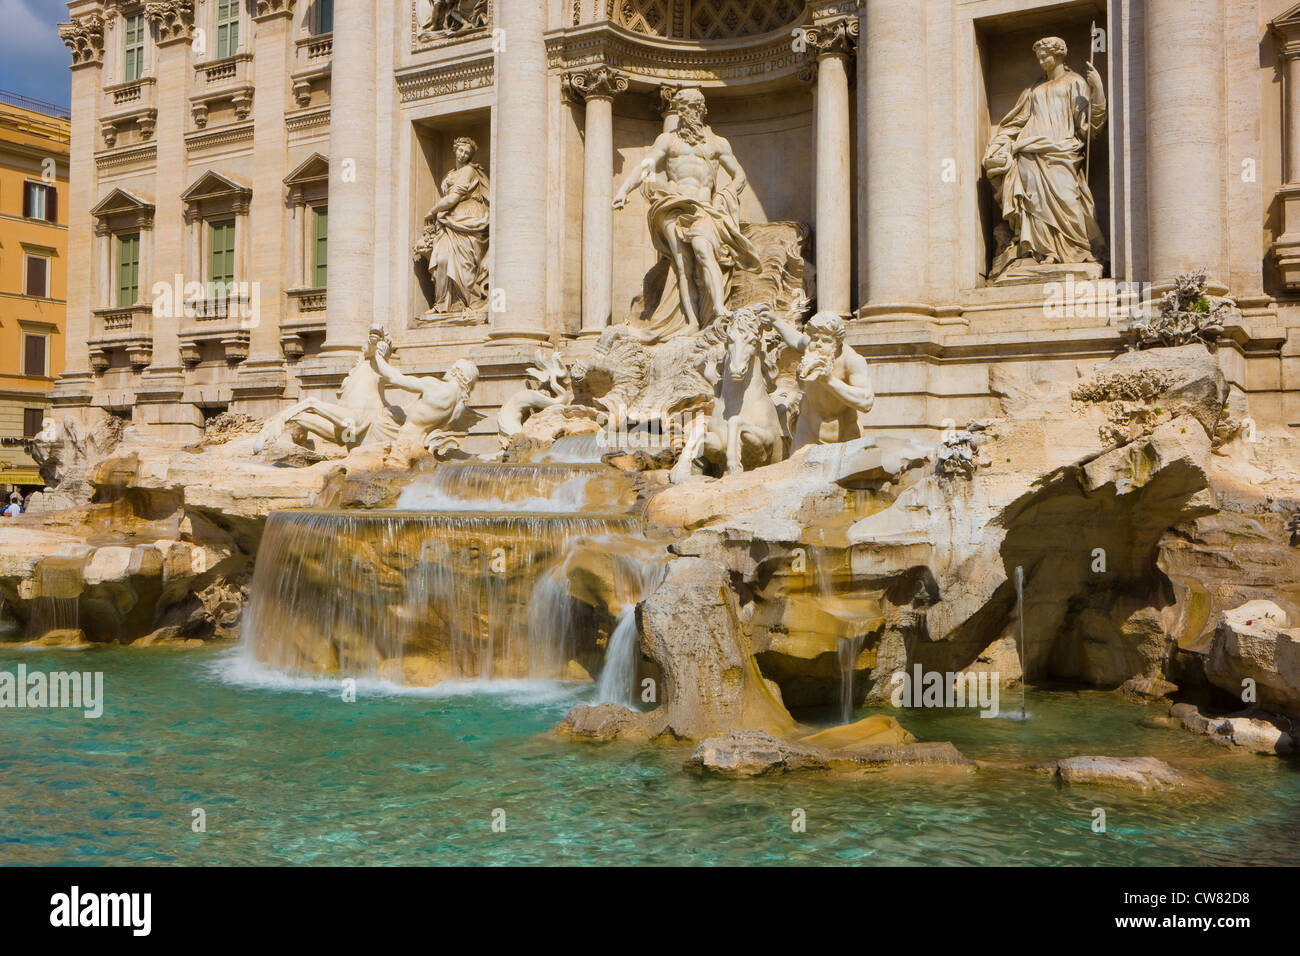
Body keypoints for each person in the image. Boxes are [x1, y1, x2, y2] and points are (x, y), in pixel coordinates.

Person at [613, 88, 760, 343]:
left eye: (690, 107)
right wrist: (624, 190)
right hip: (673, 206)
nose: (685, 113)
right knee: (683, 265)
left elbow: (740, 175)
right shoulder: (667, 141)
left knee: (703, 250)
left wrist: (723, 197)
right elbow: (646, 165)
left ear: (701, 109)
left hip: (704, 208)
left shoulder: (718, 143)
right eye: (681, 109)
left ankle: (718, 310)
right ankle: (692, 322)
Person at [982, 36, 1107, 278]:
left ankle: (1075, 250)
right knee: (1034, 202)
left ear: (1059, 55)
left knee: (1068, 198)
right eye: (1038, 58)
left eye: (1045, 57)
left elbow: (1090, 126)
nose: (1041, 62)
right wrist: (1000, 144)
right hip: (1029, 151)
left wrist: (1098, 88)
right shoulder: (1034, 89)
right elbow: (1016, 122)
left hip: (1062, 149)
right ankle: (1041, 251)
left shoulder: (1075, 82)